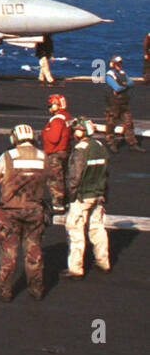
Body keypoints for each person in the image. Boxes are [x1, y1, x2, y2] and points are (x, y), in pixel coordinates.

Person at [0, 124, 48, 301]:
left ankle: (5, 292)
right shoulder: (42, 156)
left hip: (11, 211)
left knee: (9, 253)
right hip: (34, 209)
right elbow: (49, 176)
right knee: (34, 250)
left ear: (14, 138)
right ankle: (37, 289)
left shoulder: (8, 156)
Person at [63, 118, 111, 279]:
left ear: (82, 132)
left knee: (75, 231)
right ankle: (103, 261)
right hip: (98, 194)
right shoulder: (100, 146)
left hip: (82, 197)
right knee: (97, 228)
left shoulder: (80, 150)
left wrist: (69, 197)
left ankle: (76, 269)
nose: (73, 132)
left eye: (76, 129)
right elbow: (106, 173)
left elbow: (74, 177)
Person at [104, 55, 144, 152]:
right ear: (113, 64)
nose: (120, 65)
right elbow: (117, 87)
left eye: (120, 63)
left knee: (129, 124)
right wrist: (125, 85)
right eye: (118, 64)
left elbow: (131, 83)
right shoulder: (109, 75)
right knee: (111, 125)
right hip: (113, 105)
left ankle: (132, 143)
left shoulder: (122, 73)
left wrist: (123, 86)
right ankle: (111, 144)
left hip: (124, 103)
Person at [41, 93, 73, 215]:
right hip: (65, 151)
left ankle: (58, 204)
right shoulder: (67, 117)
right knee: (63, 177)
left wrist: (45, 133)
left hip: (55, 152)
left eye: (52, 104)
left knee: (54, 180)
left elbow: (54, 138)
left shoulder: (57, 119)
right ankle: (65, 201)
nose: (49, 106)